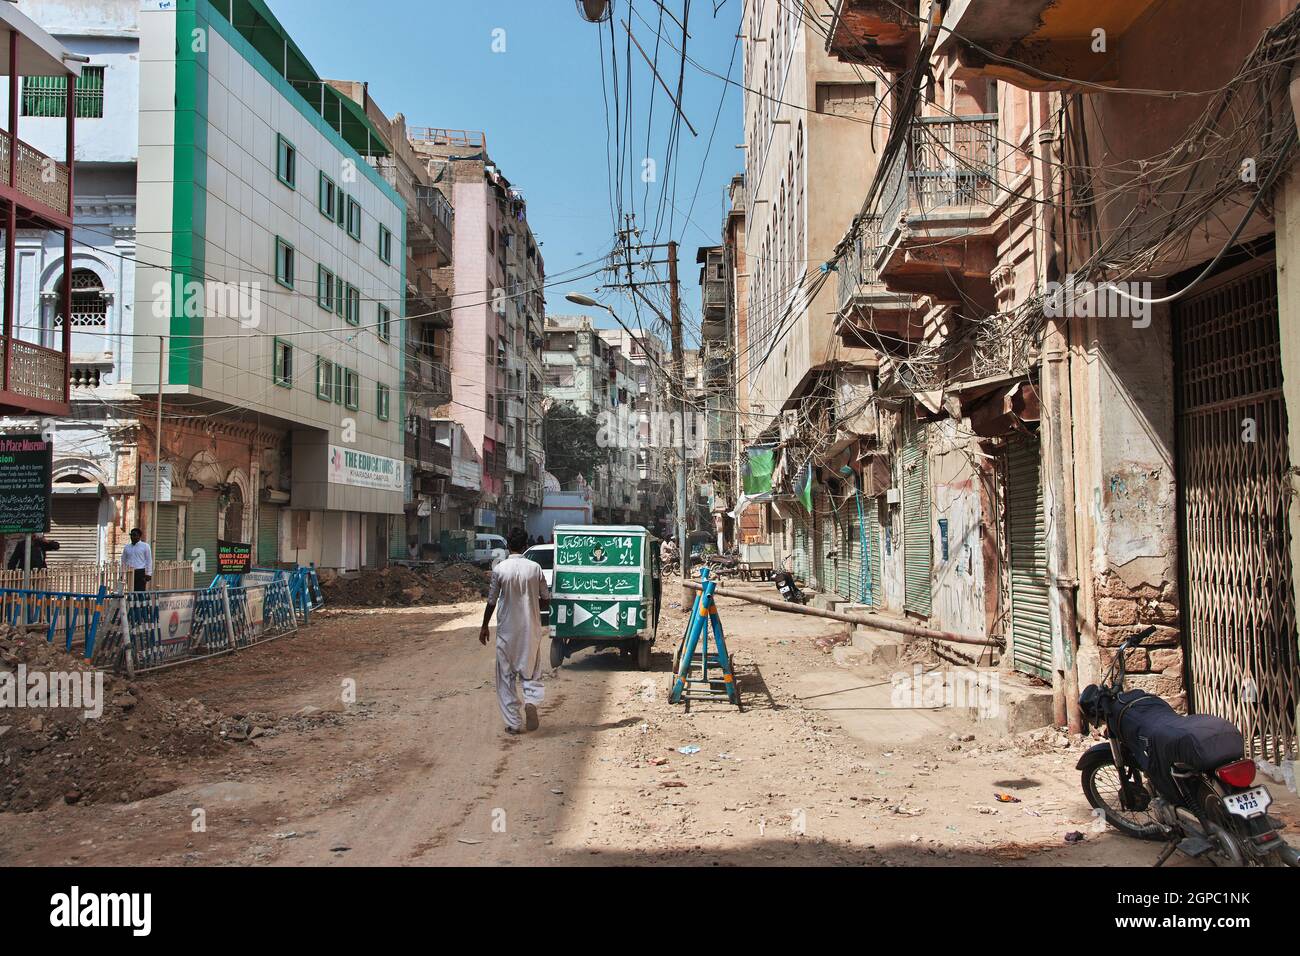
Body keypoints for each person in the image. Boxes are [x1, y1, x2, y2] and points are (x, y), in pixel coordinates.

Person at [479, 528, 550, 735]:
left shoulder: (500, 569)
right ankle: (531, 701)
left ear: (508, 545)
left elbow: (491, 601)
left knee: (505, 676)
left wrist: (484, 626)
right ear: (525, 545)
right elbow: (546, 598)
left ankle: (513, 723)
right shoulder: (535, 568)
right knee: (531, 671)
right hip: (530, 629)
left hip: (506, 630)